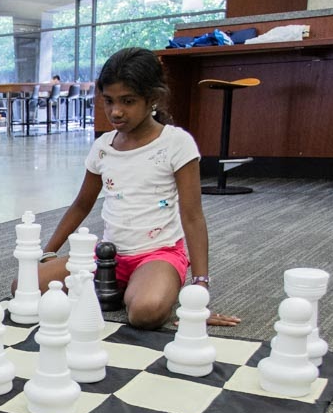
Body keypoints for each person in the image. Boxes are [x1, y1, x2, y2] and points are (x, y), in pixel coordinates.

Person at [34, 47, 240, 329]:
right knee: (26, 286)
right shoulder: (103, 146)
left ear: (152, 98)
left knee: (145, 312)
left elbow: (193, 217)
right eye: (108, 101)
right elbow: (82, 203)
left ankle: (145, 286)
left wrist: (200, 288)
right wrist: (48, 253)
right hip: (108, 257)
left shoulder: (176, 143)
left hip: (159, 253)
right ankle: (122, 287)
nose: (115, 111)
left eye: (127, 101)